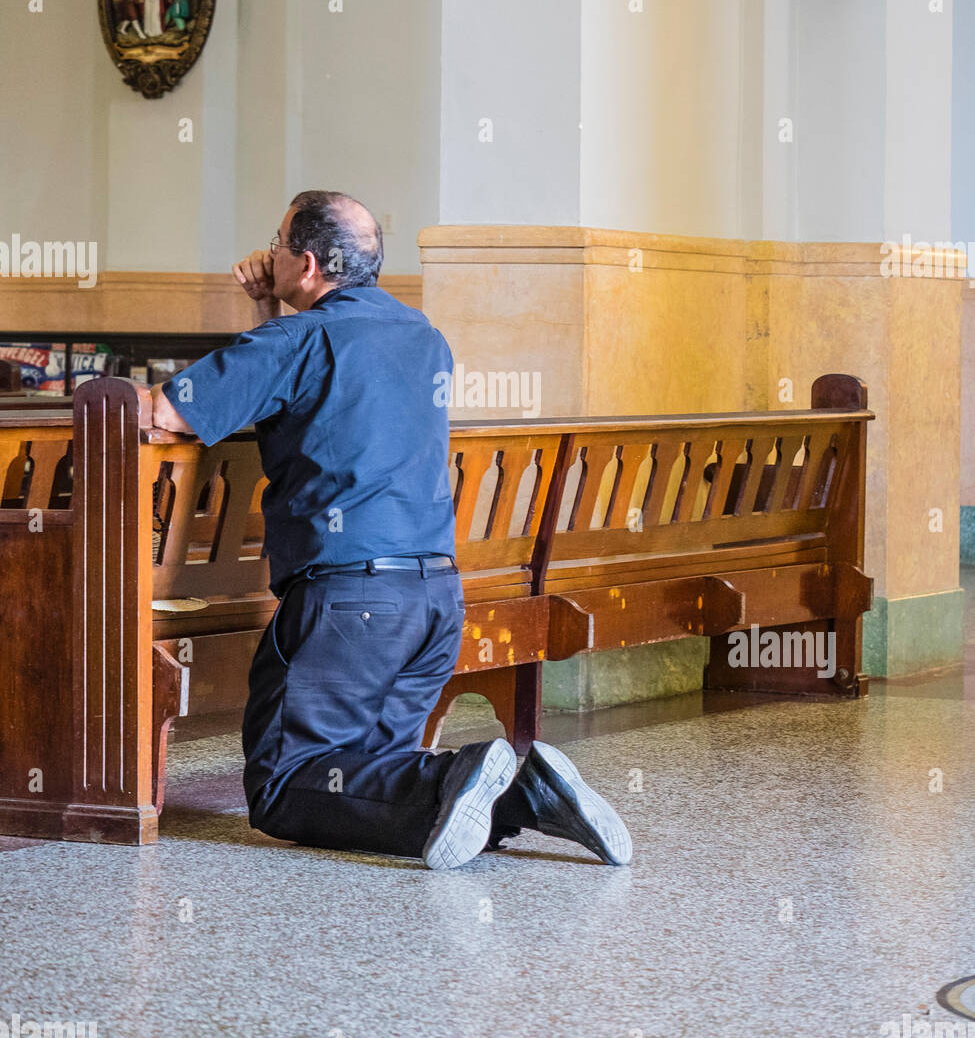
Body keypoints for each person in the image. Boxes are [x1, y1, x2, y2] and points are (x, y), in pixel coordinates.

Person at [150, 190, 632, 870]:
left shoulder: (297, 339)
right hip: (432, 602)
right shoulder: (422, 337)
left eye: (277, 241)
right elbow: (321, 385)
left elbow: (164, 413)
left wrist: (264, 319)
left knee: (285, 786)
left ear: (308, 260)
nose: (268, 253)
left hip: (346, 606)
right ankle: (526, 795)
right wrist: (272, 309)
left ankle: (458, 776)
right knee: (367, 770)